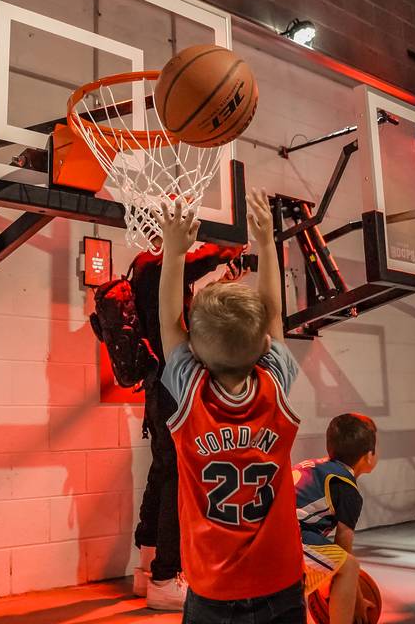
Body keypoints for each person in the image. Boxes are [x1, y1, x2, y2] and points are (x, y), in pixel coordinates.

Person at [157, 190, 305, 624]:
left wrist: (173, 251)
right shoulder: (274, 386)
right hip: (280, 577)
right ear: (264, 345)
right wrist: (266, 242)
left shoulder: (191, 393)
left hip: (212, 587)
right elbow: (275, 314)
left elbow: (168, 322)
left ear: (195, 353)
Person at [129, 243, 246, 610]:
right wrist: (227, 246)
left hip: (158, 383)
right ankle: (165, 576)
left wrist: (219, 282)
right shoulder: (154, 265)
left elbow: (185, 310)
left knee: (162, 472)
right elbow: (192, 263)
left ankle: (148, 569)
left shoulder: (147, 267)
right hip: (172, 384)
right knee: (177, 478)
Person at [295, 413, 379, 624]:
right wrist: (357, 602)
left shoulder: (315, 466)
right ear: (369, 456)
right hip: (286, 534)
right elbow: (343, 550)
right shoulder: (347, 489)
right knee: (349, 566)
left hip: (262, 530)